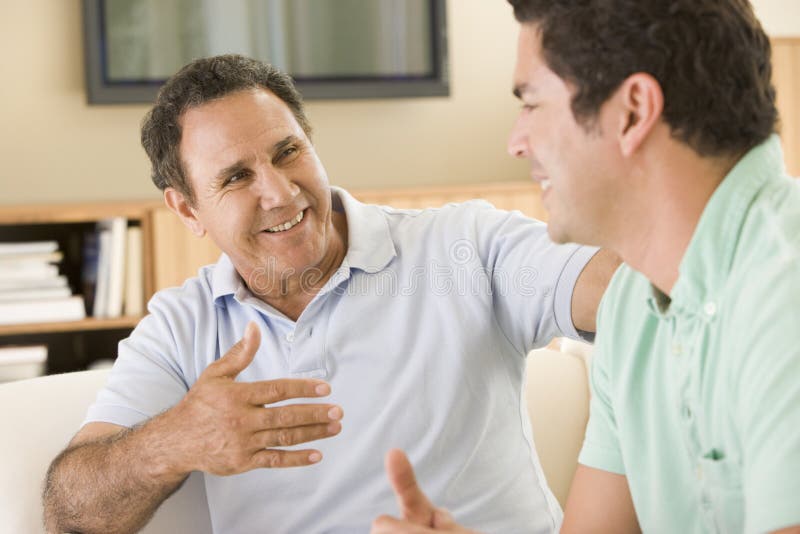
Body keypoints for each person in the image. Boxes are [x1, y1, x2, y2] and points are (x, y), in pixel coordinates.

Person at [41, 54, 619, 533]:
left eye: (287, 152)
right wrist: (174, 440)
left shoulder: (464, 245)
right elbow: (68, 513)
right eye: (236, 177)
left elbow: (622, 289)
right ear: (188, 209)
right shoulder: (180, 326)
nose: (279, 192)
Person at [371, 0, 800, 533]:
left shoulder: (787, 287)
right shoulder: (632, 306)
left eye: (531, 105)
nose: (514, 143)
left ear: (633, 112)